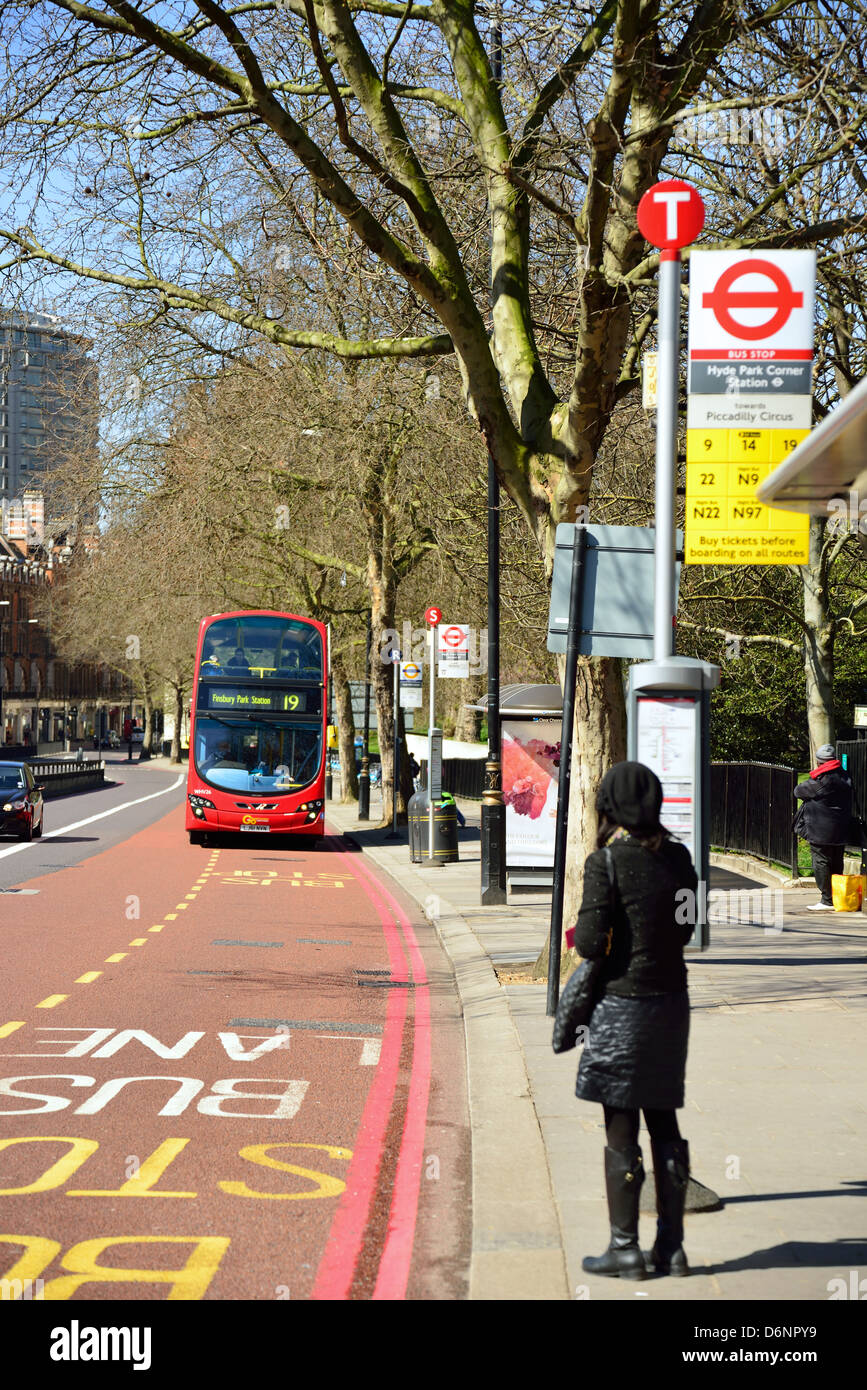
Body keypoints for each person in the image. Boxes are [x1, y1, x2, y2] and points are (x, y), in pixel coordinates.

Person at [573, 761, 698, 1281]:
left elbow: (585, 942)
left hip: (623, 1008)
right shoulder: (681, 858)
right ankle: (671, 1248)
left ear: (612, 805)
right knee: (664, 1120)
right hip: (671, 1005)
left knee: (621, 1124)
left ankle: (625, 1248)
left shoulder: (608, 862)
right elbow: (688, 930)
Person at [793, 743, 854, 910]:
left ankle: (827, 900)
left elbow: (798, 791)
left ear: (820, 762)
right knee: (836, 862)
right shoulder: (844, 776)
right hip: (840, 828)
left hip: (821, 829)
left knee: (821, 861)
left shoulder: (823, 779)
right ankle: (837, 896)